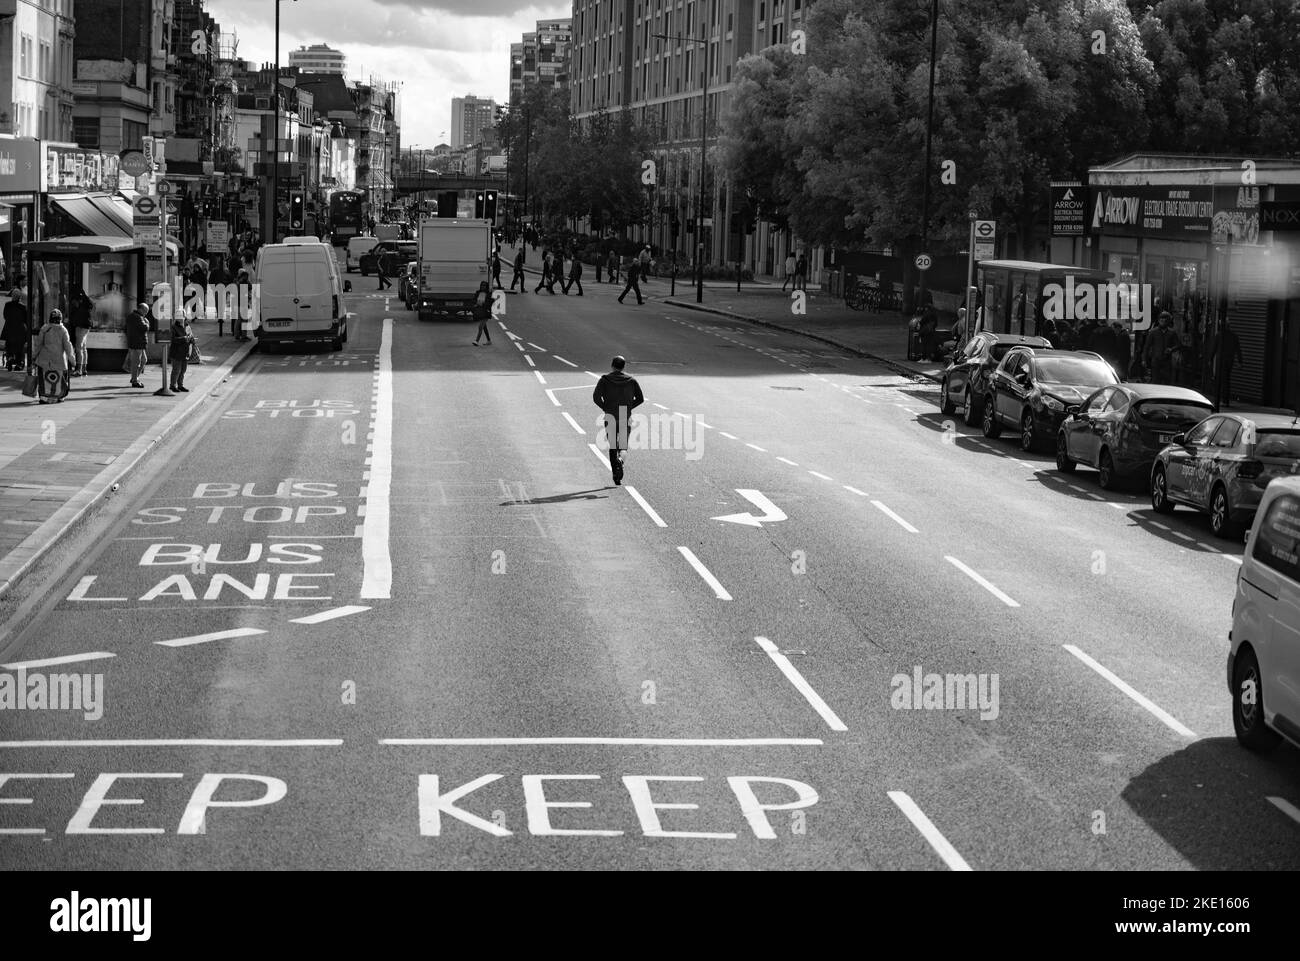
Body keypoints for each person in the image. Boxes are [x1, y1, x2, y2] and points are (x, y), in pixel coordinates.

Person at [592, 355, 644, 486]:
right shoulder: (631, 380)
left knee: (612, 446)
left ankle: (616, 475)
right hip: (624, 414)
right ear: (624, 366)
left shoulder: (605, 380)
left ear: (612, 365)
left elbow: (596, 396)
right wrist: (628, 407)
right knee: (623, 446)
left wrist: (606, 407)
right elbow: (640, 398)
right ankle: (620, 460)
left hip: (610, 414)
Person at [31, 309, 76, 404]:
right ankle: (59, 396)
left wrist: (34, 356)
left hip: (44, 360)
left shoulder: (45, 328)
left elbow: (39, 344)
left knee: (44, 378)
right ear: (60, 319)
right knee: (59, 379)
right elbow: (68, 346)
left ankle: (44, 397)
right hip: (59, 360)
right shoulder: (63, 330)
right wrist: (72, 360)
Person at [1216, 319, 1244, 407]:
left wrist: (1210, 359)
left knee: (1221, 380)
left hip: (1221, 360)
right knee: (1226, 380)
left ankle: (1223, 400)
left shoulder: (1219, 335)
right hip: (1230, 361)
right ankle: (1225, 400)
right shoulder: (1234, 336)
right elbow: (1238, 350)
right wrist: (1240, 361)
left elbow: (1214, 348)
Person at [126, 302, 151, 388]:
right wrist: (147, 323)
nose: (146, 313)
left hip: (137, 342)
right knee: (137, 362)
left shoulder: (133, 316)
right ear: (141, 309)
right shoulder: (137, 317)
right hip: (137, 343)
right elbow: (144, 328)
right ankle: (134, 380)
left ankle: (134, 377)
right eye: (146, 311)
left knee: (144, 360)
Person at [2, 289, 28, 371]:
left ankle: (9, 358)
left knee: (9, 345)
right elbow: (25, 319)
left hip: (9, 328)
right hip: (20, 329)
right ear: (19, 297)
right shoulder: (23, 307)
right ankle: (18, 363)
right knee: (19, 347)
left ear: (12, 296)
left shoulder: (7, 305)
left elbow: (5, 316)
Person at [168, 310, 194, 392]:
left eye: (181, 315)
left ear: (184, 316)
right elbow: (172, 339)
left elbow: (191, 337)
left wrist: (192, 339)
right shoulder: (173, 327)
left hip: (185, 352)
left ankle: (180, 385)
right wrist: (184, 338)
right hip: (176, 352)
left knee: (183, 370)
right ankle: (172, 386)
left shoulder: (187, 326)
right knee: (176, 370)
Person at [69, 287, 93, 376]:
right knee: (83, 348)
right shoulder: (86, 304)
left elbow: (76, 317)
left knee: (79, 348)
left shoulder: (81, 307)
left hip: (81, 327)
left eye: (74, 301)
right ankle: (84, 368)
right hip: (86, 327)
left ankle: (79, 370)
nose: (73, 303)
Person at [471, 281, 493, 346]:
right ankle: (489, 341)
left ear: (486, 287)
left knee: (480, 326)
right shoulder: (478, 292)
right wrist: (475, 303)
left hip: (486, 312)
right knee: (484, 327)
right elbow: (473, 300)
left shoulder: (489, 294)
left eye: (484, 286)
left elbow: (489, 303)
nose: (482, 287)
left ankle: (476, 341)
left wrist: (483, 304)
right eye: (482, 285)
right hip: (479, 312)